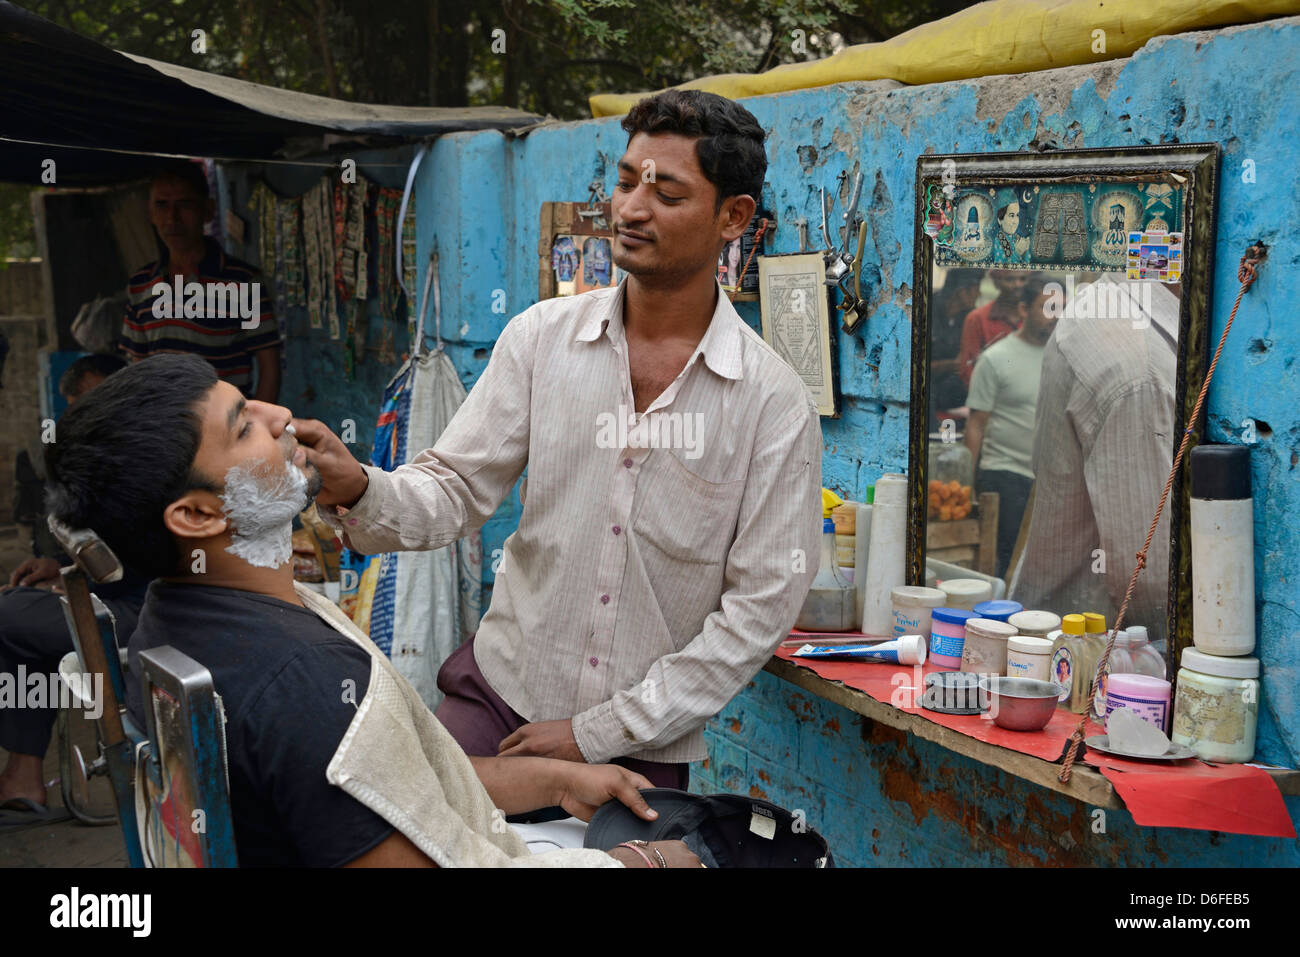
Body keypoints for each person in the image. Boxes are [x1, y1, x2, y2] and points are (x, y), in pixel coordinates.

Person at [297, 89, 822, 792]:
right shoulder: (540, 340)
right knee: (405, 827)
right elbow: (453, 488)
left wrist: (593, 734)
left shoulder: (772, 403)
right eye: (627, 179)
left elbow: (756, 612)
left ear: (734, 217)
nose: (631, 207)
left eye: (666, 192)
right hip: (499, 704)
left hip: (641, 744)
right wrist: (360, 485)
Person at [42, 354, 699, 867]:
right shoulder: (301, 683)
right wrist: (639, 862)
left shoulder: (182, 610)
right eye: (243, 426)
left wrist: (553, 781)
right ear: (197, 513)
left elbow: (385, 786)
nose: (280, 418)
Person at [0, 353, 149, 827]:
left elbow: (146, 561)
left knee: (8, 618)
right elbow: (110, 551)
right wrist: (61, 566)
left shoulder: (150, 454)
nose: (80, 415)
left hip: (149, 614)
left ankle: (22, 777)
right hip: (117, 601)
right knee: (19, 629)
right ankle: (22, 779)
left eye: (88, 400)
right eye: (74, 407)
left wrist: (75, 584)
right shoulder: (111, 457)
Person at [1012, 277, 1178, 649]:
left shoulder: (1102, 306)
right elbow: (1145, 573)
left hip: (1060, 625)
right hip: (1097, 652)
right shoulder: (1139, 369)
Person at [119, 162, 281, 402]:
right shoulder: (141, 285)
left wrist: (251, 429)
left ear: (208, 210)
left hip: (225, 429)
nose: (172, 218)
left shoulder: (243, 283)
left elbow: (270, 368)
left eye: (184, 204)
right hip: (165, 430)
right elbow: (137, 369)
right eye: (162, 205)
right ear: (151, 214)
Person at [964, 277, 1057, 578]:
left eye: (1060, 308)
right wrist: (968, 487)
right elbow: (976, 426)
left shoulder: (1063, 359)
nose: (1054, 316)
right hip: (1005, 477)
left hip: (1049, 483)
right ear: (1023, 309)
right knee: (1004, 567)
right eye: (1046, 307)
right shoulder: (995, 359)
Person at [928, 269, 984, 423]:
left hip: (954, 387)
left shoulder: (970, 318)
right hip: (927, 387)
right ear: (962, 291)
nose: (978, 295)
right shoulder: (927, 309)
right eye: (976, 289)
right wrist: (951, 364)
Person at [956, 269, 1027, 387]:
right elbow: (967, 369)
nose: (1018, 285)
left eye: (1022, 279)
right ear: (996, 283)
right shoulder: (977, 318)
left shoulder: (1034, 316)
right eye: (1010, 279)